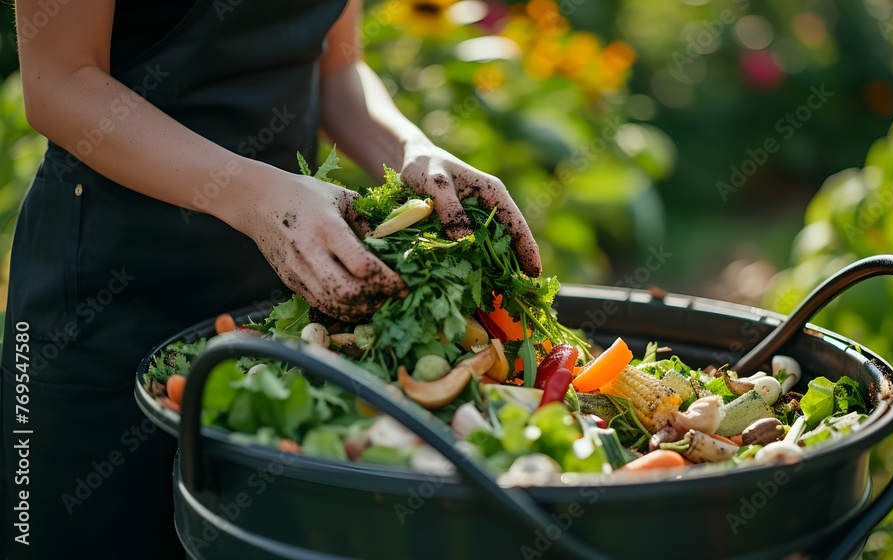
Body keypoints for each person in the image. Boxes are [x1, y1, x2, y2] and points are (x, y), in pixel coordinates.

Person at [1, 0, 541, 557]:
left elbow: (338, 68)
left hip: (275, 310)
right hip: (103, 302)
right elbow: (58, 83)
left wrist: (411, 149)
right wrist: (253, 193)